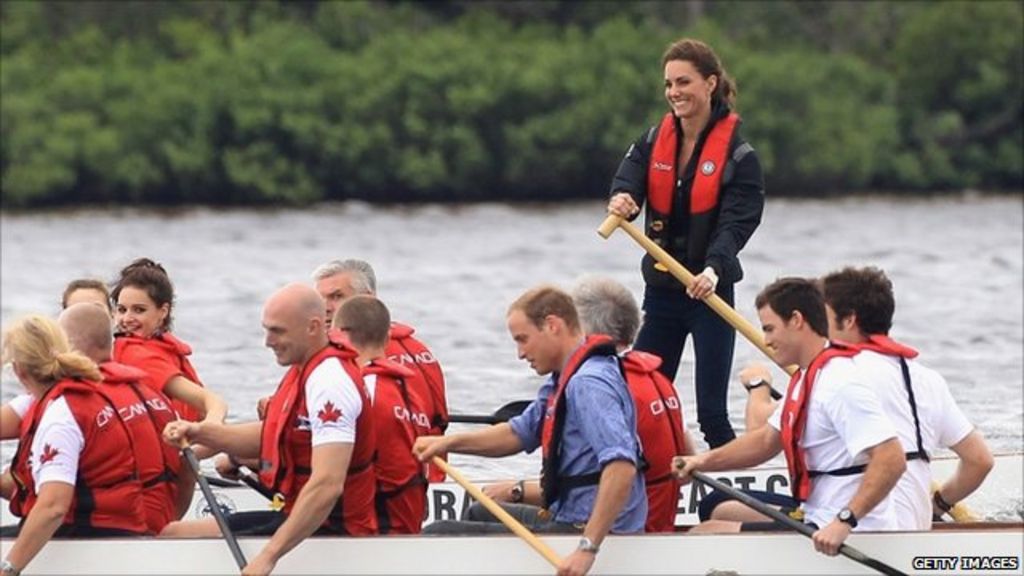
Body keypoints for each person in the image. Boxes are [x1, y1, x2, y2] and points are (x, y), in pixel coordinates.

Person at [414, 285, 646, 576]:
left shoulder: (588, 383)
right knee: (481, 508)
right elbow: (517, 433)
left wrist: (587, 549)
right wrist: (447, 443)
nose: (520, 354)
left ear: (552, 326)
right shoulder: (562, 377)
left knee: (439, 533)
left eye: (523, 340)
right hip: (570, 515)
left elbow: (622, 467)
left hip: (590, 527)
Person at [673, 278, 906, 557]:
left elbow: (891, 458)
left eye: (770, 329)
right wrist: (700, 461)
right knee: (717, 506)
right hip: (817, 513)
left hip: (851, 531)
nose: (766, 340)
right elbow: (764, 442)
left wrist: (845, 520)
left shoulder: (839, 382)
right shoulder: (808, 376)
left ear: (796, 320)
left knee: (704, 535)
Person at [606, 38, 764, 449]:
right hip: (662, 293)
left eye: (684, 82)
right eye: (668, 84)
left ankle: (727, 489)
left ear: (710, 83)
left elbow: (736, 224)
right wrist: (624, 198)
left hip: (710, 293)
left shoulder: (740, 156)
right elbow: (630, 178)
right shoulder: (653, 138)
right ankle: (642, 480)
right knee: (640, 397)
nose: (674, 92)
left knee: (711, 413)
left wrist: (712, 269)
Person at [160, 283, 377, 575]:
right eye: (266, 329)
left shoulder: (329, 382)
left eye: (277, 331)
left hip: (334, 528)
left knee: (173, 538)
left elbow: (327, 485)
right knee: (170, 533)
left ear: (313, 327)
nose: (268, 341)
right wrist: (200, 432)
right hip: (300, 515)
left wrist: (268, 557)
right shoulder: (305, 368)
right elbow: (271, 436)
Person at [474, 278, 692, 533]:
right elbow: (686, 466)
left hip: (619, 528)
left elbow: (616, 470)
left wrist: (518, 489)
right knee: (480, 511)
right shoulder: (655, 378)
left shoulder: (596, 383)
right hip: (656, 517)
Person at [820, 266, 994, 528]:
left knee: (734, 516)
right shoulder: (927, 379)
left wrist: (757, 388)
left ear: (849, 321)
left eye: (822, 318)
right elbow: (980, 461)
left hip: (854, 530)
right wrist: (940, 505)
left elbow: (770, 441)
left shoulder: (830, 374)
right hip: (915, 527)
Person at [1, 315, 147, 575]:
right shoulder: (80, 391)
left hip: (94, 533)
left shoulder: (60, 417)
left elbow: (53, 507)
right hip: (115, 524)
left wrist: (9, 569)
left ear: (19, 371)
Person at [311, 259, 448, 481]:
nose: (325, 307)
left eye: (336, 297)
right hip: (426, 479)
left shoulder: (349, 356)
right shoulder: (417, 348)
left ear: (368, 299)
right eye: (320, 299)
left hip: (383, 486)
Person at [59, 302, 189, 533]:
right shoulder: (147, 391)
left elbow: (47, 500)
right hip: (160, 521)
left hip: (115, 529)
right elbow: (187, 465)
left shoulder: (79, 400)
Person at [335, 295, 431, 534]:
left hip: (374, 530)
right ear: (387, 339)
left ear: (340, 337)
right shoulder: (408, 391)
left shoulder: (361, 390)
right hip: (406, 523)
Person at [110, 258, 227, 425]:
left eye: (139, 310)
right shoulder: (144, 352)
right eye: (122, 310)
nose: (127, 319)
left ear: (163, 311)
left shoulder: (147, 354)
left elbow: (212, 403)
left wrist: (212, 431)